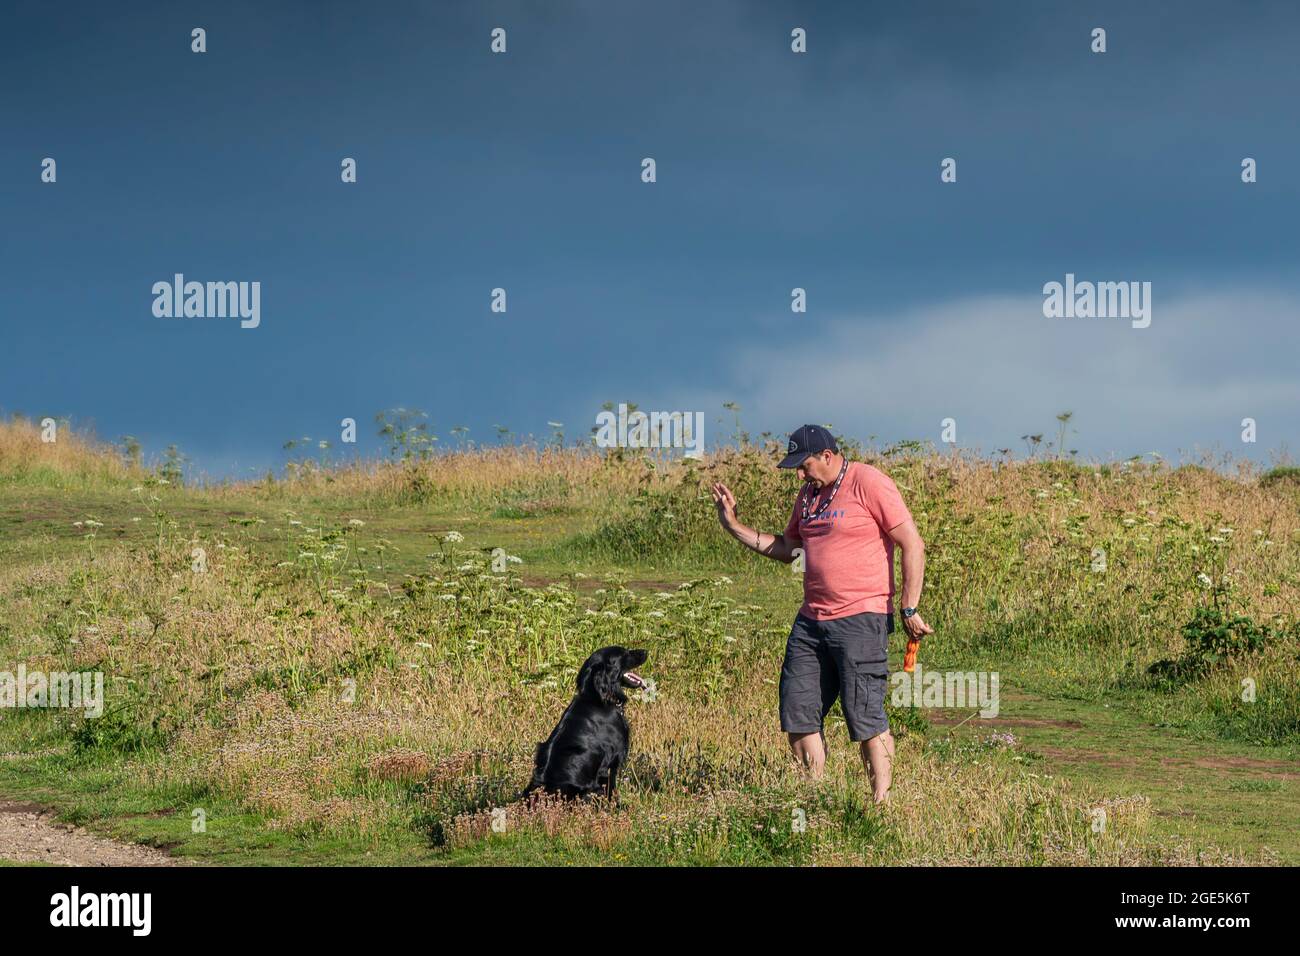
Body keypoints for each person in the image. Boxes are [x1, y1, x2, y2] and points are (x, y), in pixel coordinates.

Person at [710, 424, 933, 802]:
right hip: (811, 622)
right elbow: (787, 549)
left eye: (804, 464)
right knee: (798, 714)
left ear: (827, 456)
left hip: (862, 617)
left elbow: (912, 543)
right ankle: (813, 798)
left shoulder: (868, 482)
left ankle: (881, 805)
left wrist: (909, 605)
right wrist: (732, 526)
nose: (799, 474)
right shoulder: (808, 496)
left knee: (864, 717)